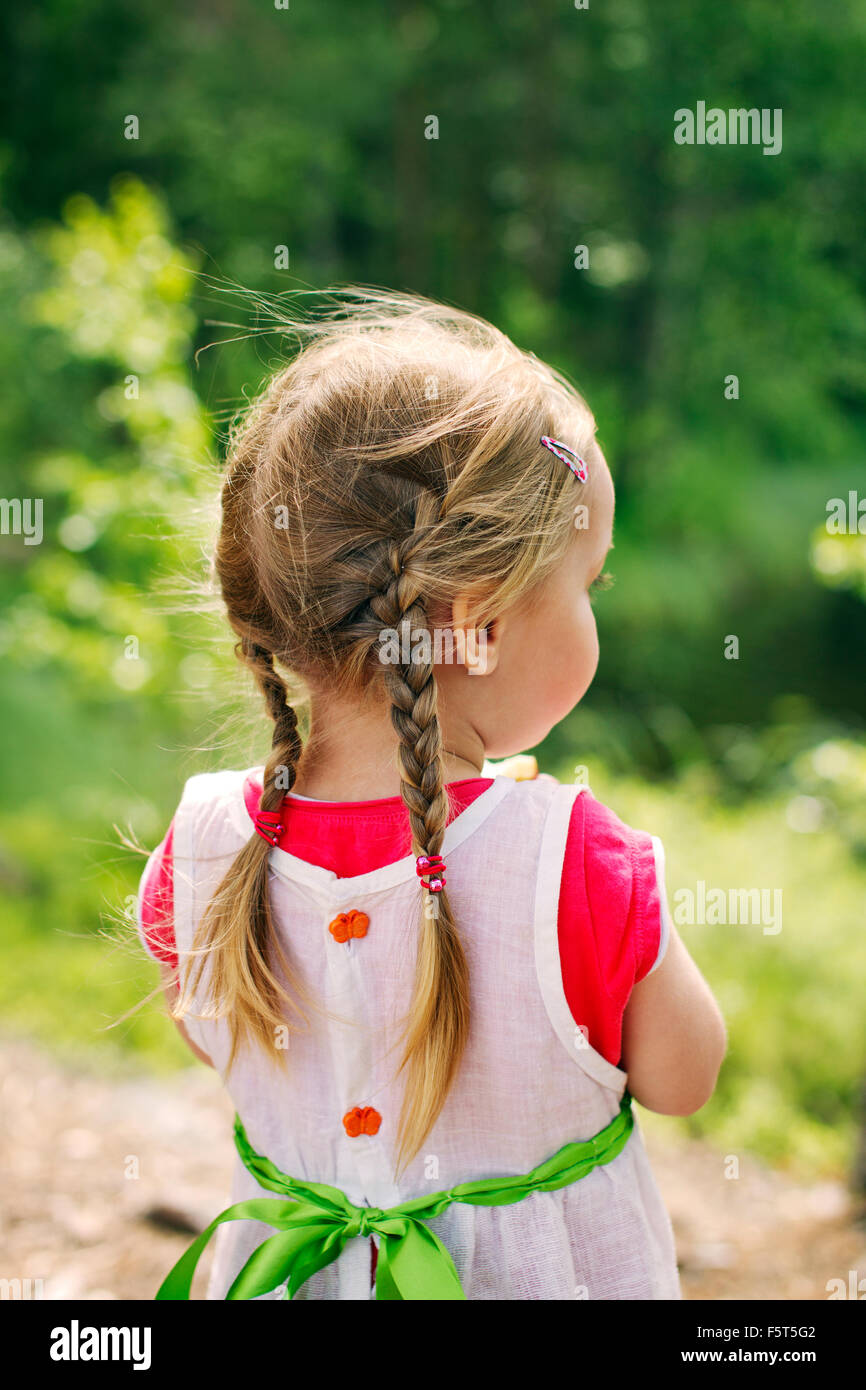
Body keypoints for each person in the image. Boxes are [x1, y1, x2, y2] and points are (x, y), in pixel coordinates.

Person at [136, 287, 726, 1300]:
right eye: (588, 582)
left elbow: (214, 1040)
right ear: (479, 620)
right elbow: (685, 1077)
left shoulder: (202, 851)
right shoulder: (574, 861)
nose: (594, 607)